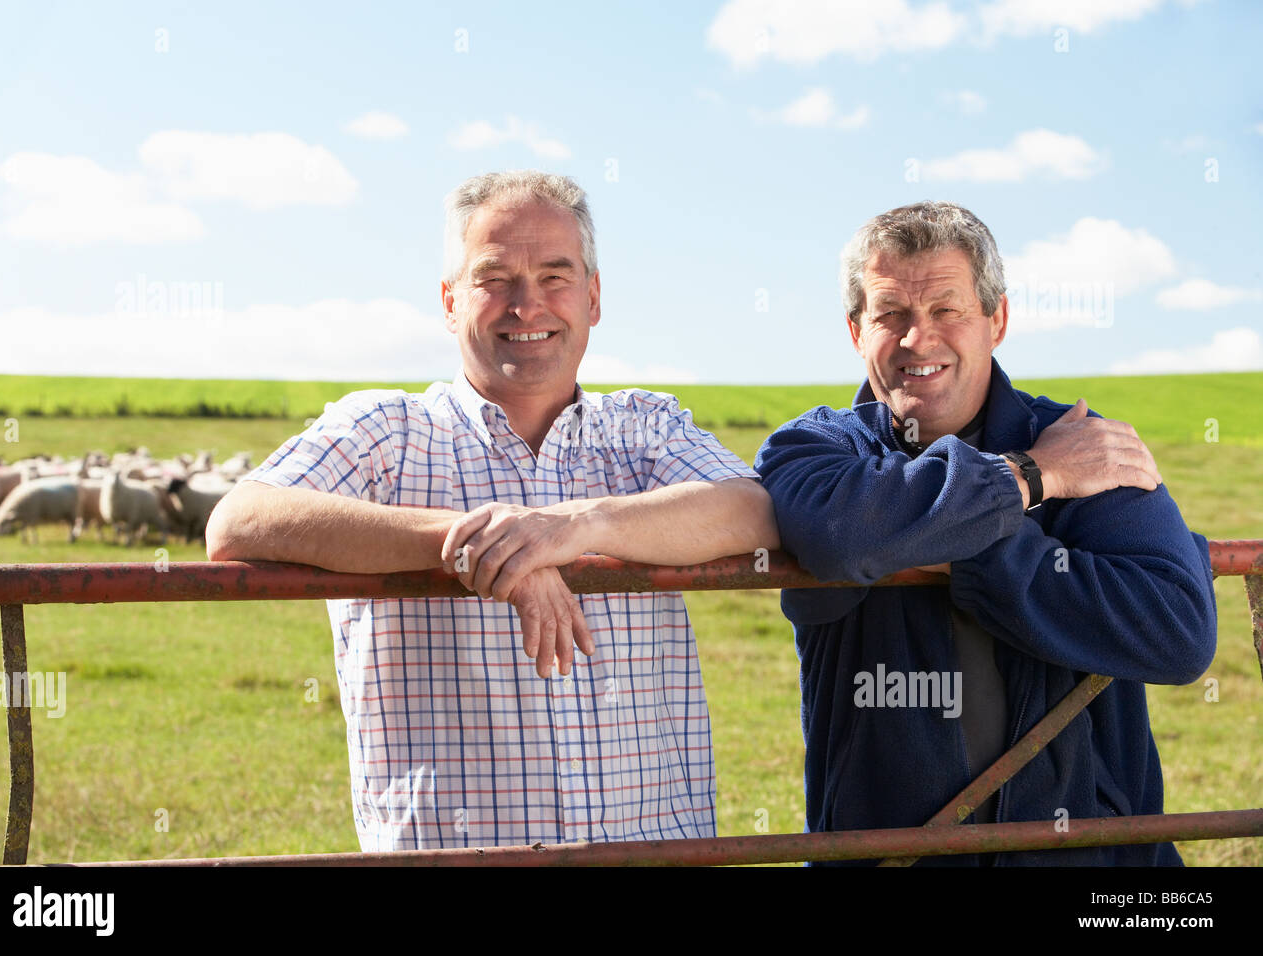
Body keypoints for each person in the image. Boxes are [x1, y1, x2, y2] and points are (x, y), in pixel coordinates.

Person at [206, 170, 779, 852]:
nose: (526, 305)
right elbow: (239, 520)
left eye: (555, 277)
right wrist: (473, 544)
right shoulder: (386, 431)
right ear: (450, 301)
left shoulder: (644, 428)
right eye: (495, 278)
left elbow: (754, 512)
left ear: (593, 298)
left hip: (647, 850)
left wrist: (572, 529)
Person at [754, 201, 1216, 866]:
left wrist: (953, 545)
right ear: (856, 331)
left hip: (1088, 861)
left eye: (947, 309)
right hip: (890, 858)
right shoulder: (813, 450)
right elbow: (843, 536)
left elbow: (1178, 632)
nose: (920, 338)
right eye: (892, 315)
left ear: (996, 320)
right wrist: (1030, 478)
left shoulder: (1083, 443)